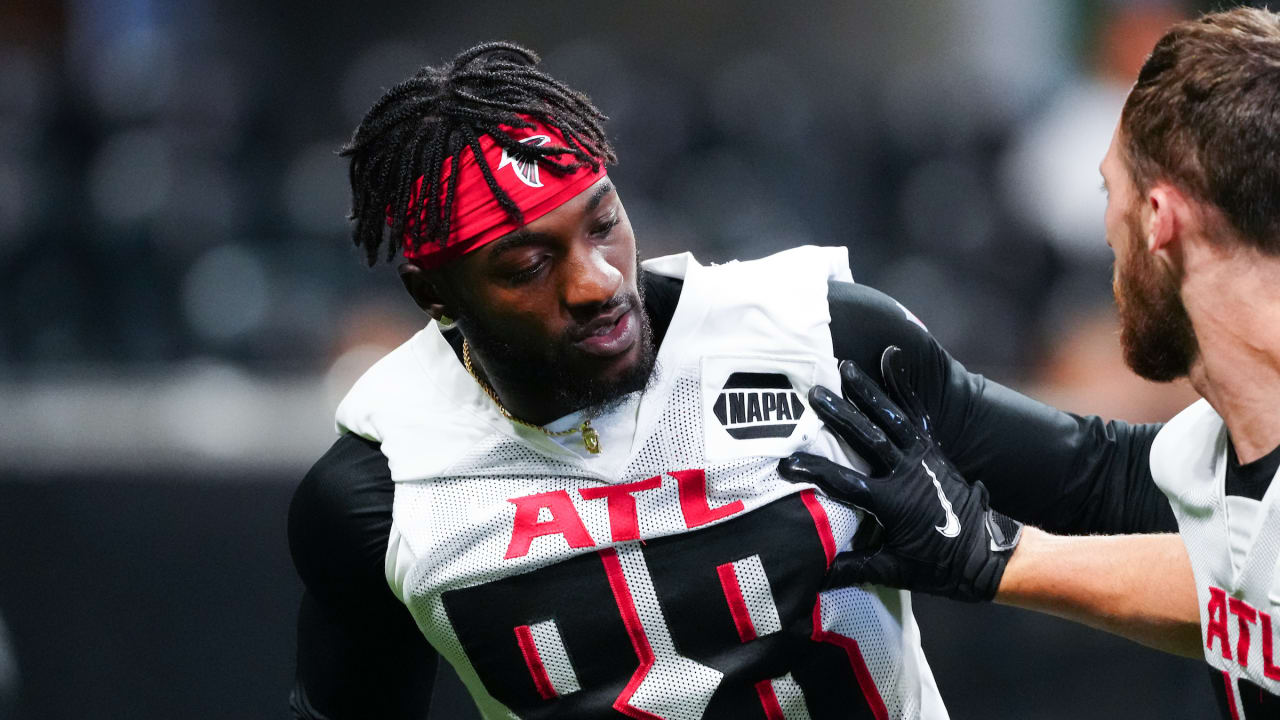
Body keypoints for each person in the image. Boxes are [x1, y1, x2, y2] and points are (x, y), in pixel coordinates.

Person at [288, 42, 1175, 719]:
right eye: (528, 264)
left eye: (603, 223)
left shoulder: (819, 340)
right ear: (433, 295)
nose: (597, 282)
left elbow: (1117, 479)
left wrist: (1001, 554)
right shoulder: (384, 487)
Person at [778, 8, 1280, 719]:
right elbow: (1119, 489)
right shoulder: (1223, 446)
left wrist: (998, 556)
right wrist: (943, 401)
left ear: (1159, 218)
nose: (1107, 230)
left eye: (1111, 194)